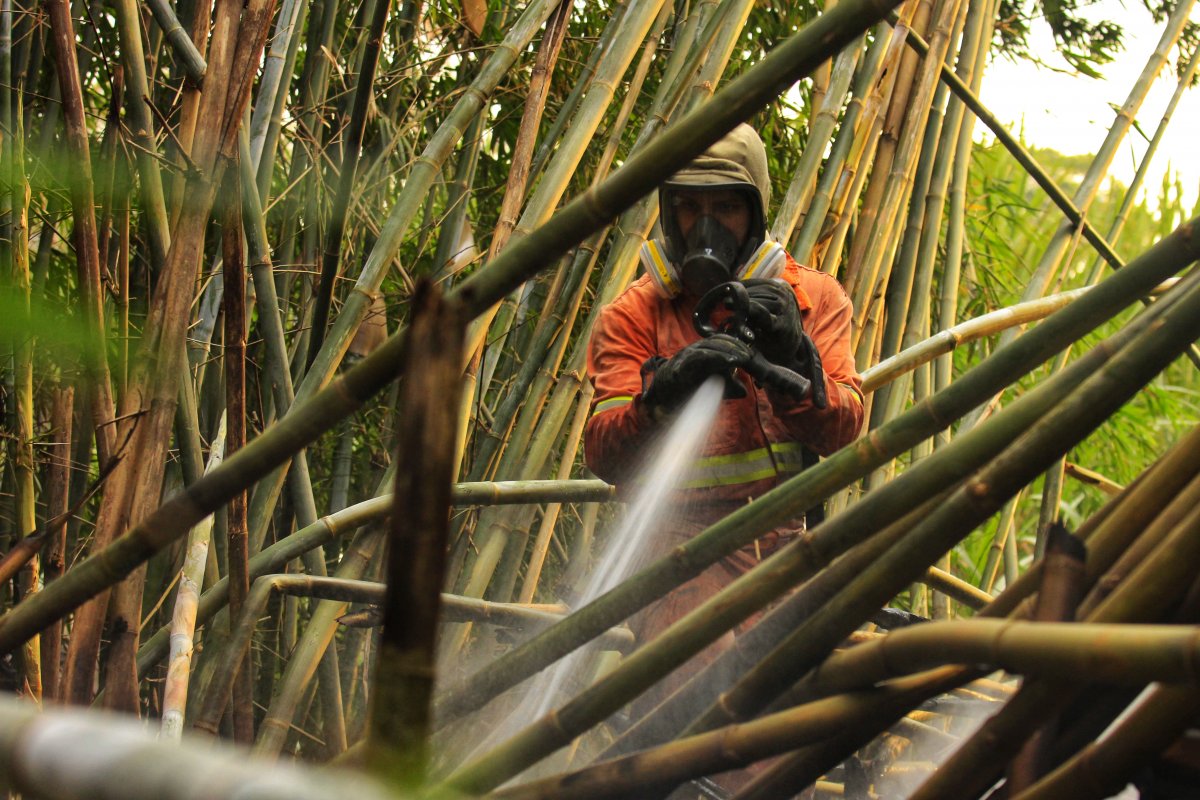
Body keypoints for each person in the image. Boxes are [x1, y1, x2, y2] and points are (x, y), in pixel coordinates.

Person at [582, 123, 865, 720]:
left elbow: (845, 430)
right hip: (676, 556)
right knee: (694, 727)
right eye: (689, 207)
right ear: (667, 214)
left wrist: (790, 354)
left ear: (756, 215)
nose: (704, 226)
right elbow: (603, 453)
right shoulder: (633, 315)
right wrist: (661, 399)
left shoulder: (811, 300)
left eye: (725, 208)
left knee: (779, 745)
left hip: (789, 553)